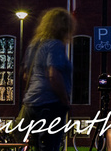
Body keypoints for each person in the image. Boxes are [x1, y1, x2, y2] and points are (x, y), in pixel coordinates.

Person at [16, 8, 75, 151]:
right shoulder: (55, 45)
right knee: (49, 146)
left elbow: (25, 74)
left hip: (30, 104)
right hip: (50, 104)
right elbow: (53, 74)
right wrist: (64, 99)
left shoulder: (34, 45)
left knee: (33, 145)